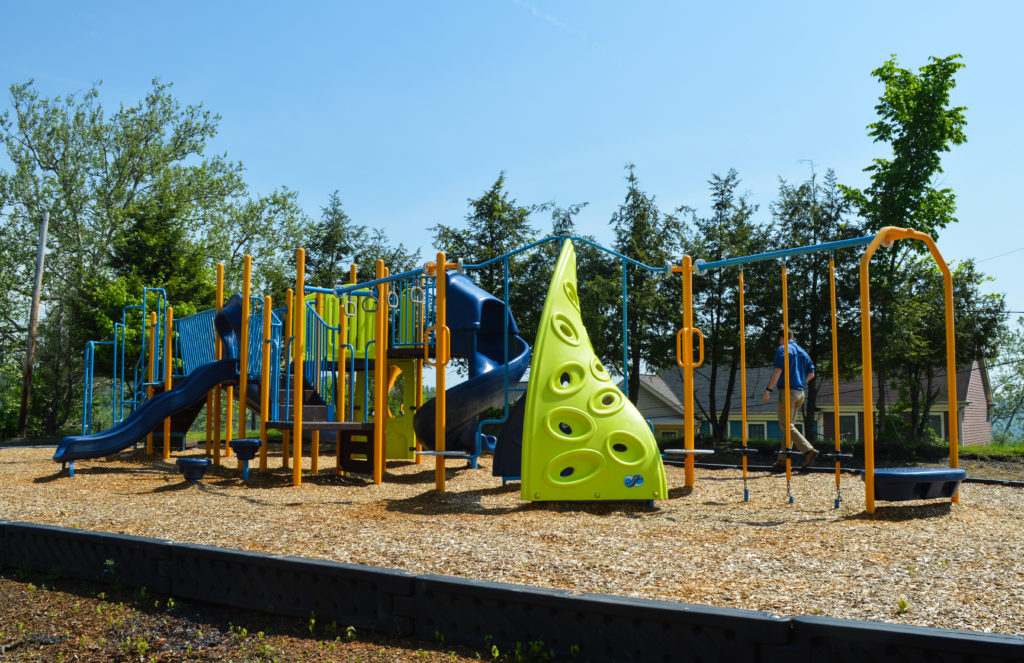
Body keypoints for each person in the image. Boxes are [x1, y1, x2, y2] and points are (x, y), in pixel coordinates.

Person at [762, 328, 817, 471]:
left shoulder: (783, 349)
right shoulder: (803, 352)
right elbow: (811, 374)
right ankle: (782, 459)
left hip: (787, 392)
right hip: (800, 392)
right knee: (789, 426)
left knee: (786, 425)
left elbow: (778, 370)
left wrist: (768, 390)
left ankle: (808, 450)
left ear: (781, 338)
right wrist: (800, 382)